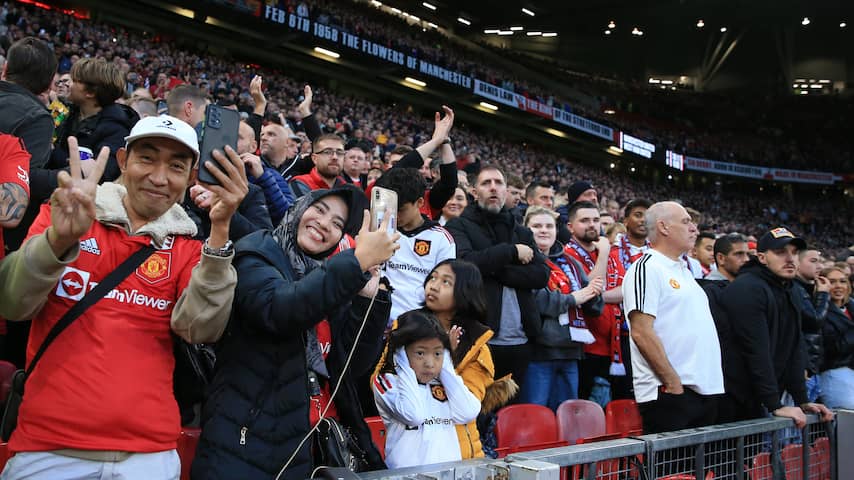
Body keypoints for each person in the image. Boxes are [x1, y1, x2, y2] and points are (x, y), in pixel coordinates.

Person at [0, 115, 248, 478]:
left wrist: (221, 228)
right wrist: (58, 241)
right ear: (122, 161)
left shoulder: (189, 247)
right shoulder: (66, 214)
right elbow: (12, 303)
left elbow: (199, 329)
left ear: (190, 178)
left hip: (149, 455)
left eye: (176, 166)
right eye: (147, 158)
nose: (160, 177)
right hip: (48, 447)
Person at [191, 189, 400, 480]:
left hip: (308, 447)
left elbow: (351, 365)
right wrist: (356, 262)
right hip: (244, 444)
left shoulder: (331, 276)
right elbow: (282, 310)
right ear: (298, 209)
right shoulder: (256, 253)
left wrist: (367, 300)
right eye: (320, 210)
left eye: (337, 223)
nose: (325, 224)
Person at [621, 201, 724, 433]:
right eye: (686, 222)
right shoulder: (646, 268)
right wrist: (672, 382)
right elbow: (641, 331)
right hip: (671, 394)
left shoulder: (684, 272)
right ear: (663, 227)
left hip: (702, 391)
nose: (694, 229)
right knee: (672, 459)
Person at [445, 166, 549, 394]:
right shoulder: (458, 225)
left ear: (505, 190)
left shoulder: (522, 232)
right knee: (476, 408)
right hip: (479, 339)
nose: (493, 187)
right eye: (486, 183)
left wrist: (494, 269)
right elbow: (466, 265)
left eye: (499, 182)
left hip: (522, 342)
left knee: (514, 412)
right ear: (474, 192)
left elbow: (541, 275)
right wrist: (511, 252)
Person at [719, 227, 834, 427]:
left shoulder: (790, 288)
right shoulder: (747, 288)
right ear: (762, 258)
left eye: (794, 253)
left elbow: (794, 345)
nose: (790, 259)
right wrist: (774, 404)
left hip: (764, 395)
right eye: (780, 252)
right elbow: (754, 349)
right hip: (736, 397)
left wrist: (802, 400)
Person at [372, 310, 481, 469]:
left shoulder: (445, 382)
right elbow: (413, 415)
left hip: (447, 474)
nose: (429, 363)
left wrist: (446, 361)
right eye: (420, 353)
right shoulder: (389, 382)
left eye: (437, 353)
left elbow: (469, 411)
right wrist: (400, 361)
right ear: (402, 352)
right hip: (405, 476)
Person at [522, 207, 604, 410]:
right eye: (536, 226)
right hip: (539, 353)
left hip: (571, 352)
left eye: (549, 226)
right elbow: (536, 301)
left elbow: (593, 304)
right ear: (525, 229)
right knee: (537, 414)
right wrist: (574, 299)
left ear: (556, 231)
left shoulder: (571, 262)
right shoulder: (523, 260)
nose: (544, 230)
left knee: (568, 416)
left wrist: (593, 294)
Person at [375, 168, 455, 325]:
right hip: (377, 320)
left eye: (401, 210)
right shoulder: (380, 231)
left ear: (419, 202)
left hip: (418, 326)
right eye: (390, 209)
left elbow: (446, 287)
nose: (395, 215)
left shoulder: (441, 239)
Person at [564, 201, 626, 404]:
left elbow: (624, 290)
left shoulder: (607, 253)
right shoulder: (567, 254)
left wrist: (599, 294)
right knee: (584, 407)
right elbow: (587, 290)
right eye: (584, 220)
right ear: (570, 226)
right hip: (584, 348)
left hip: (611, 345)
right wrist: (604, 254)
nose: (592, 224)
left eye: (596, 220)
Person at [51, 58, 139, 182]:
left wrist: (52, 152)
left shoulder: (116, 129)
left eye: (75, 81)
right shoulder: (71, 114)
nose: (68, 85)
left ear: (90, 92)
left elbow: (100, 176)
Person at [793, 249, 831, 401]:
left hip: (811, 368)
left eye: (820, 261)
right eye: (813, 261)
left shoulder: (807, 288)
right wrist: (823, 295)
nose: (819, 266)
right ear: (796, 262)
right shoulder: (795, 289)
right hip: (803, 370)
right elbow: (814, 321)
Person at [817, 266, 853, 409]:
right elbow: (831, 347)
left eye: (842, 281)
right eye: (832, 282)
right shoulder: (819, 310)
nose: (838, 286)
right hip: (834, 372)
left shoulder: (851, 307)